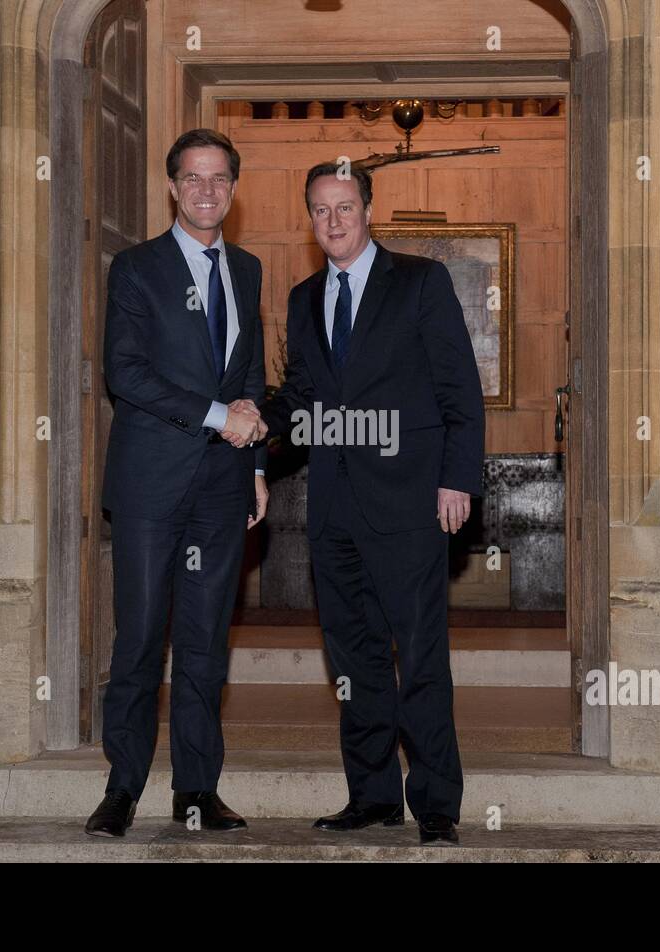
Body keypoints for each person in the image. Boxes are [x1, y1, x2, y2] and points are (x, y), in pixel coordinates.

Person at [252, 161, 485, 844]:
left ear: (368, 208)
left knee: (419, 656)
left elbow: (458, 388)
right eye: (321, 209)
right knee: (353, 660)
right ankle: (373, 794)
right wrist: (251, 431)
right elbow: (302, 401)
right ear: (310, 218)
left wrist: (458, 479)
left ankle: (436, 802)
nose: (334, 220)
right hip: (334, 509)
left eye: (345, 207)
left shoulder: (419, 282)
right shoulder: (302, 299)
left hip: (411, 502)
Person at [85, 129, 268, 837]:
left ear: (233, 187)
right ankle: (121, 789)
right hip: (149, 487)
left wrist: (255, 465)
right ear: (171, 187)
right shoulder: (135, 268)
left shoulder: (246, 269)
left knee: (203, 644)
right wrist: (220, 417)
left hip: (223, 487)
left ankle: (197, 792)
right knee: (138, 640)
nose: (206, 191)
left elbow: (248, 376)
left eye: (219, 178)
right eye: (192, 178)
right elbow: (123, 374)